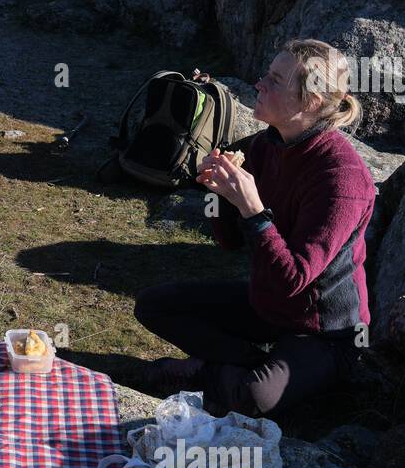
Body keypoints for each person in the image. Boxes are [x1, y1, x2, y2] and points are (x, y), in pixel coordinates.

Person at [134, 39, 376, 421]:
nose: (260, 84)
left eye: (275, 80)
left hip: (322, 331)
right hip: (267, 305)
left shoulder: (341, 178)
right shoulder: (267, 146)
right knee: (153, 305)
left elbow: (292, 279)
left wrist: (252, 208)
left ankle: (204, 372)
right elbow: (229, 242)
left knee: (256, 398)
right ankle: (251, 363)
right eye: (267, 75)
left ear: (310, 101)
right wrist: (218, 195)